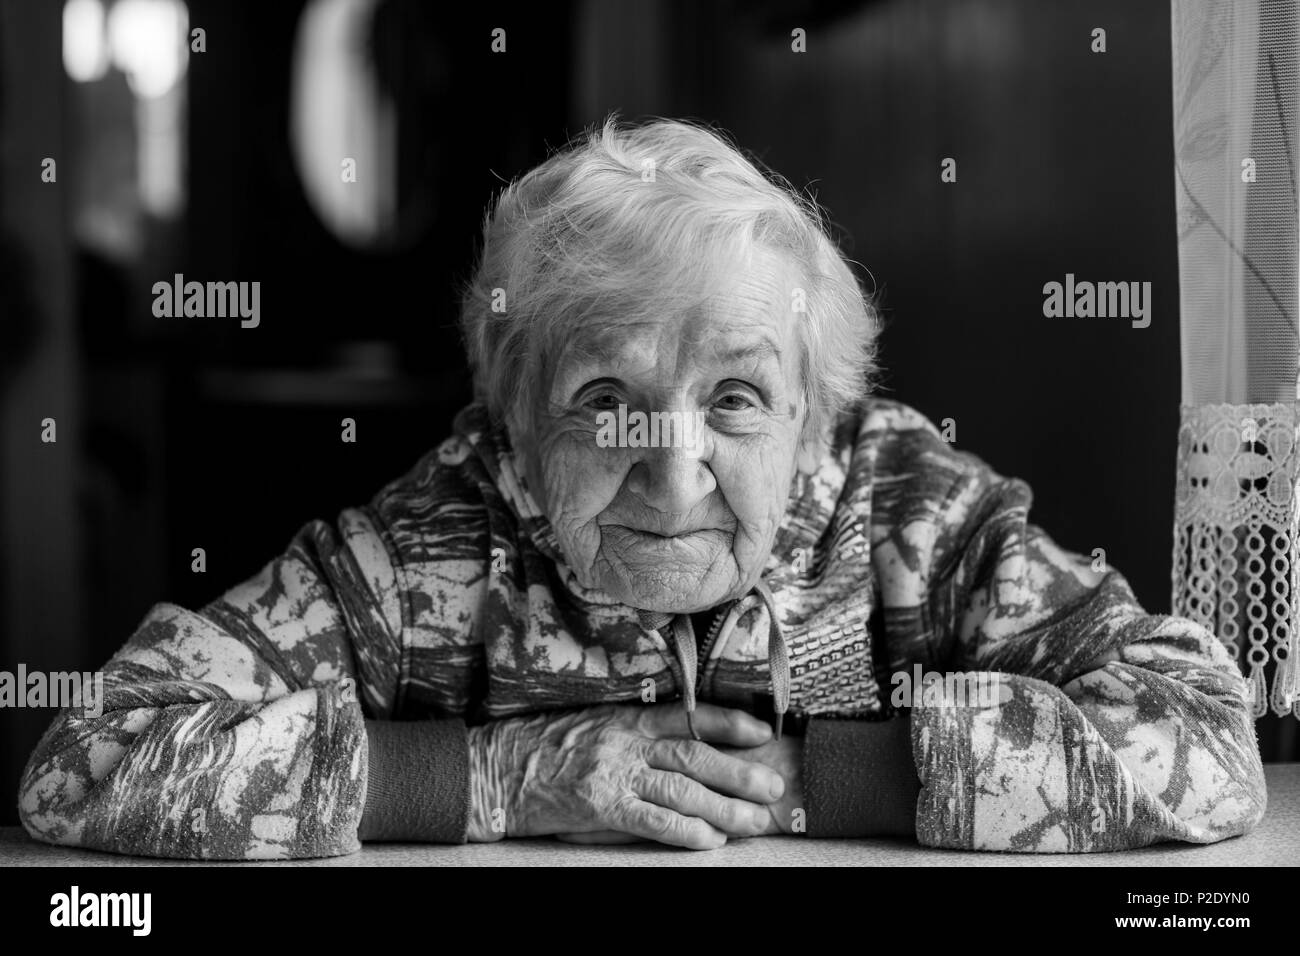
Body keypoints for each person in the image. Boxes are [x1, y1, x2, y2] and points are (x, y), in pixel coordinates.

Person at [18, 117, 1267, 858]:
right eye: (607, 400)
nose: (675, 472)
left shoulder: (914, 514)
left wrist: (817, 781)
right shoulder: (427, 548)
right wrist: (504, 778)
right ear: (511, 426)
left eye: (734, 399)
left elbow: (1208, 737)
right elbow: (88, 759)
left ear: (812, 415)